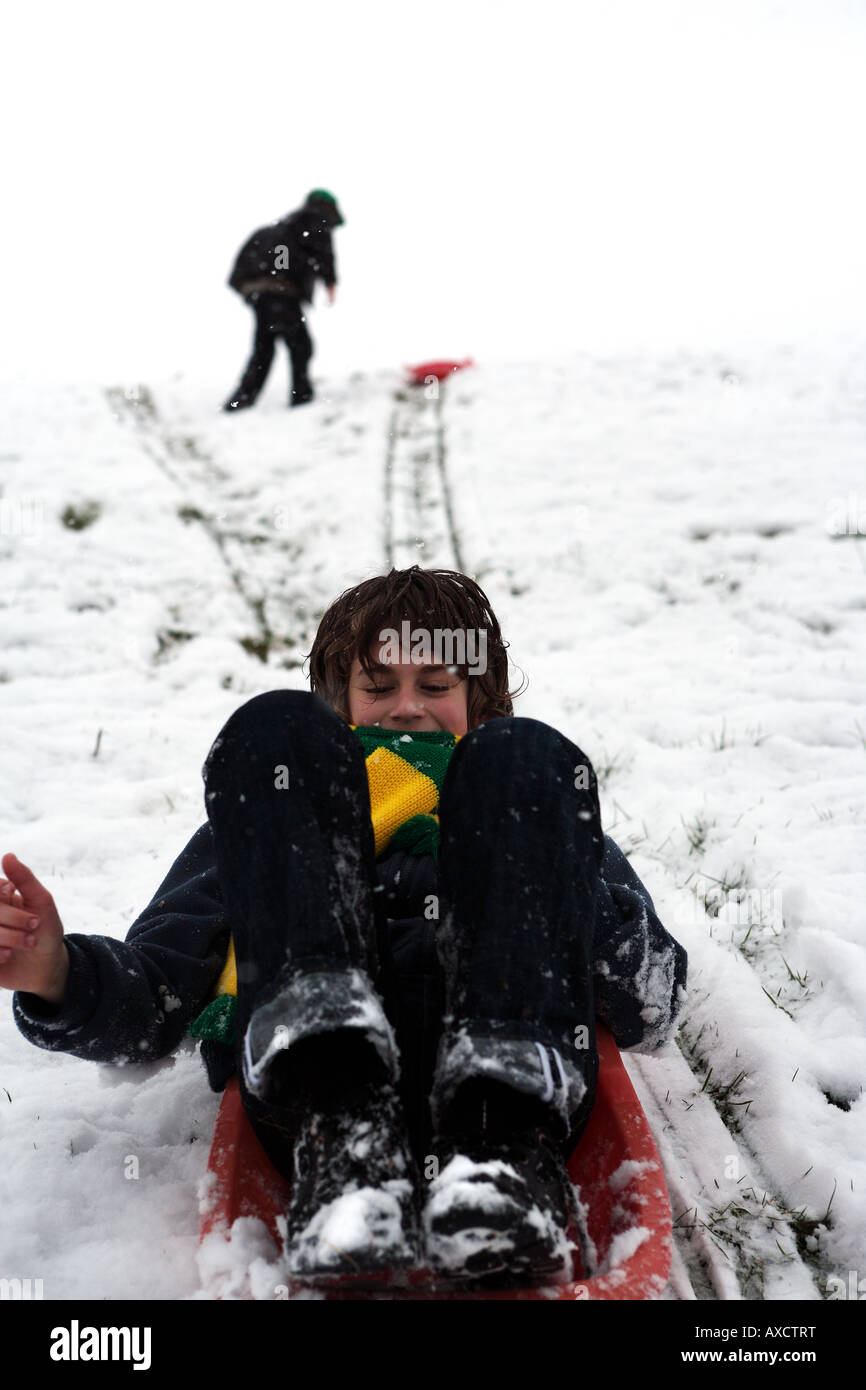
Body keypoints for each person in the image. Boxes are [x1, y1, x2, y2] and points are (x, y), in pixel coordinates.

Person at [1, 567, 687, 1288]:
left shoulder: (525, 812)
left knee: (534, 756)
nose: (407, 708)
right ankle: (353, 1148)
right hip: (313, 1119)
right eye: (379, 685)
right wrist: (56, 977)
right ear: (344, 705)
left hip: (519, 1108)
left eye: (436, 685)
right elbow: (158, 993)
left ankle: (496, 1168)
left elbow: (652, 999)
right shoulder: (284, 828)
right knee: (270, 732)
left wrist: (541, 876)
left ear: (481, 702)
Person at [222, 189, 344, 412]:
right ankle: (302, 399)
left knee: (264, 349)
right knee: (300, 346)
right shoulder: (314, 219)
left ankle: (239, 402)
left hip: (260, 295)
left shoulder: (273, 230)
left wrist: (250, 289)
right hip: (283, 293)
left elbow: (240, 267)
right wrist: (330, 281)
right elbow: (323, 249)